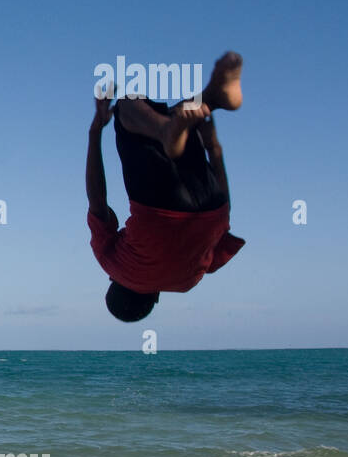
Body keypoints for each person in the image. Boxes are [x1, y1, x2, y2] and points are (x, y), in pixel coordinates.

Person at [86, 51, 245, 322]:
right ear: (113, 281)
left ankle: (214, 98)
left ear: (155, 297)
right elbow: (98, 202)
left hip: (209, 204)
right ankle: (171, 126)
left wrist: (213, 148)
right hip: (157, 205)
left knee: (180, 120)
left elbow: (224, 219)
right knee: (127, 106)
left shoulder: (189, 281)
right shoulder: (112, 264)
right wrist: (96, 130)